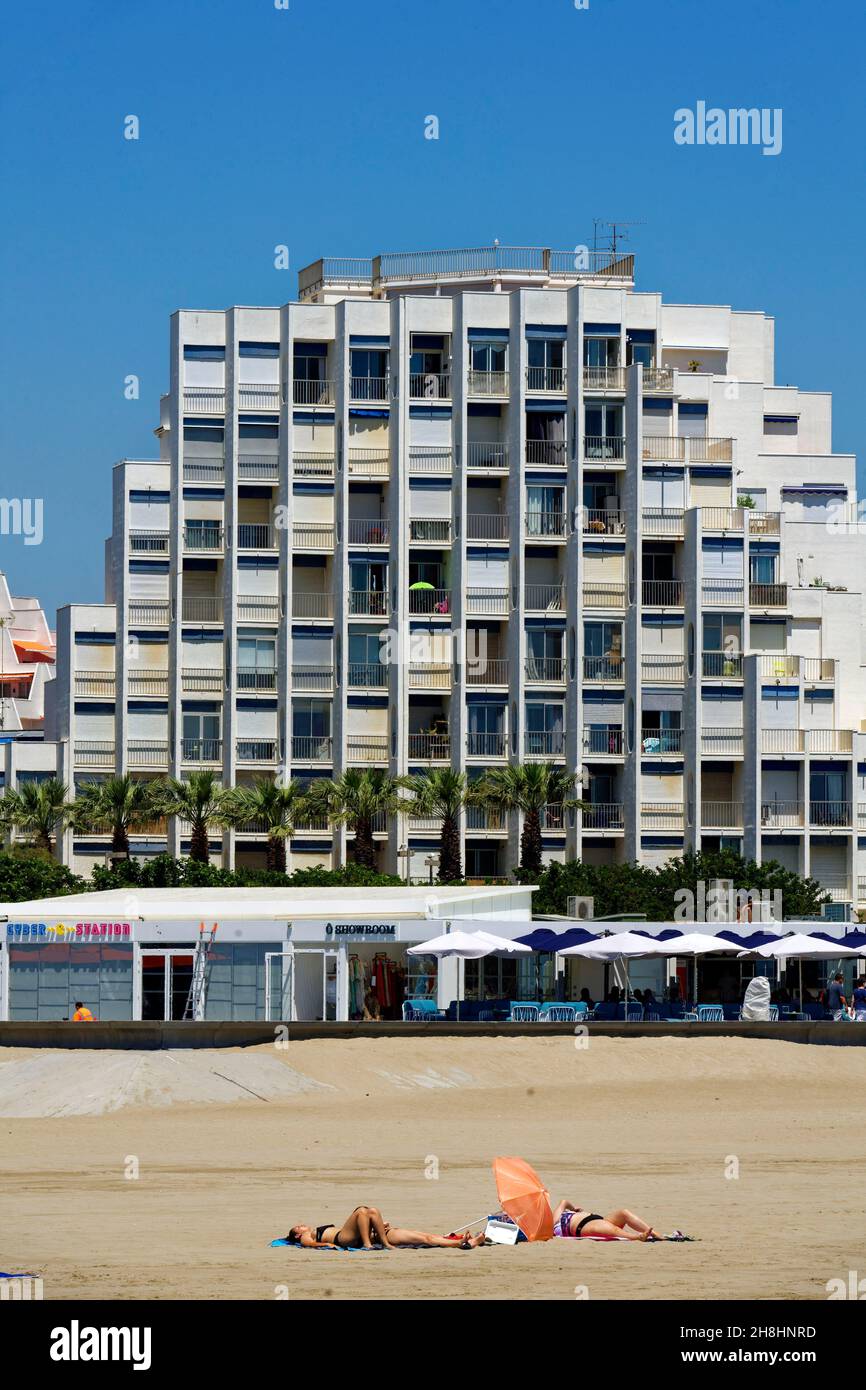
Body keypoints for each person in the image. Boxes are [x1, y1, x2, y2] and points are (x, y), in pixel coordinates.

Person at [284, 1205, 485, 1250]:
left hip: (376, 1234)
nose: (301, 1225)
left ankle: (463, 1242)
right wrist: (325, 1245)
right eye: (298, 1227)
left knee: (425, 1237)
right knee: (362, 1211)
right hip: (344, 1240)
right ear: (297, 1234)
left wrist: (380, 1226)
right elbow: (310, 1244)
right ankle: (368, 1244)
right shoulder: (305, 1237)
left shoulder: (315, 1228)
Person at [552, 1199, 668, 1242]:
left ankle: (655, 1234)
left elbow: (564, 1202)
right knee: (614, 1230)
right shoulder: (549, 1224)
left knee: (624, 1213)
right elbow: (563, 1202)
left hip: (598, 1219)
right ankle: (638, 1237)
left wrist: (573, 1209)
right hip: (584, 1226)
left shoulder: (554, 1216)